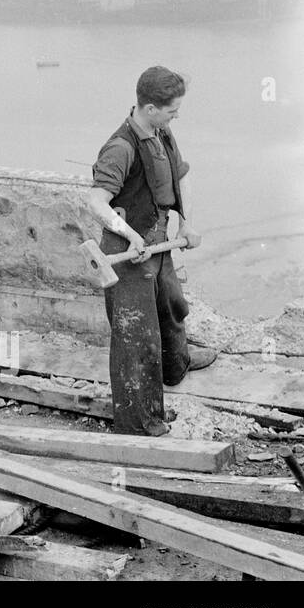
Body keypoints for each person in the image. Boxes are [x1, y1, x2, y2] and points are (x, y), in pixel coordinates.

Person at [85, 66, 215, 437]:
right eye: (172, 109)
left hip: (158, 243)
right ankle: (140, 425)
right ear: (151, 107)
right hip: (128, 253)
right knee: (136, 339)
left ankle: (177, 365)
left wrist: (185, 223)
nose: (177, 115)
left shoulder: (163, 133)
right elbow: (96, 201)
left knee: (172, 306)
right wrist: (129, 235)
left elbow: (179, 177)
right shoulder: (120, 148)